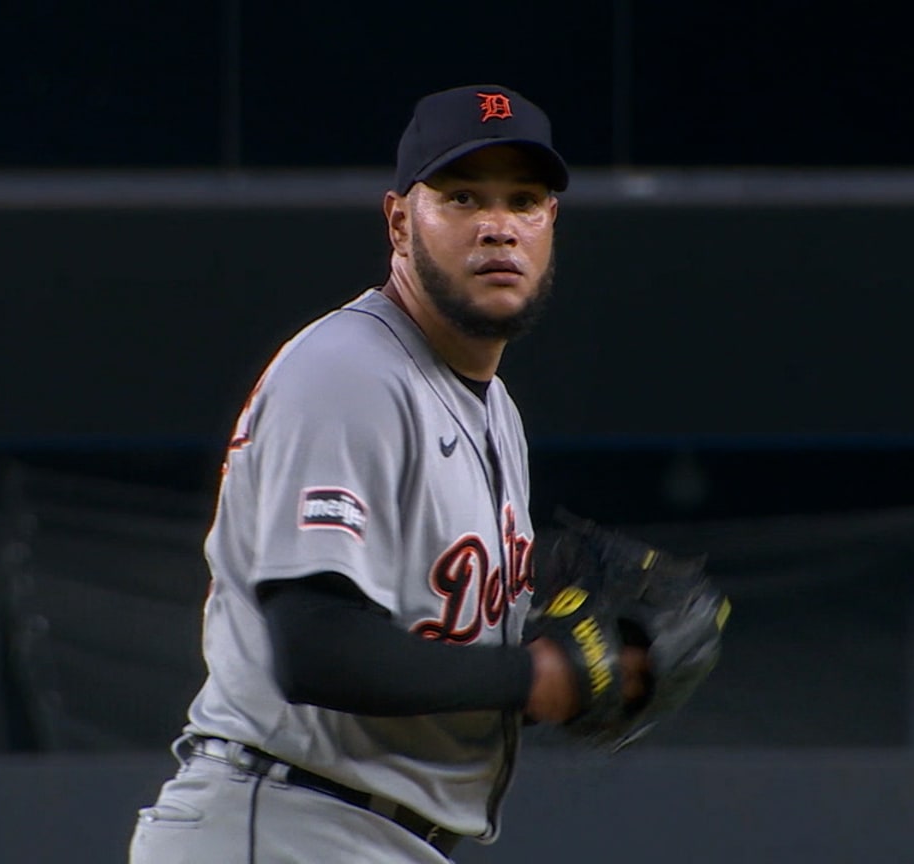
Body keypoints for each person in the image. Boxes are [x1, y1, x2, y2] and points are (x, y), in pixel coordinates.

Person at [128, 83, 648, 864]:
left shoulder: (492, 409)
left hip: (357, 832)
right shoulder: (350, 371)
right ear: (401, 222)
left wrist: (547, 623)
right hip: (288, 821)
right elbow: (316, 646)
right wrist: (531, 673)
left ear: (551, 224)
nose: (498, 226)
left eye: (525, 200)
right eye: (463, 196)